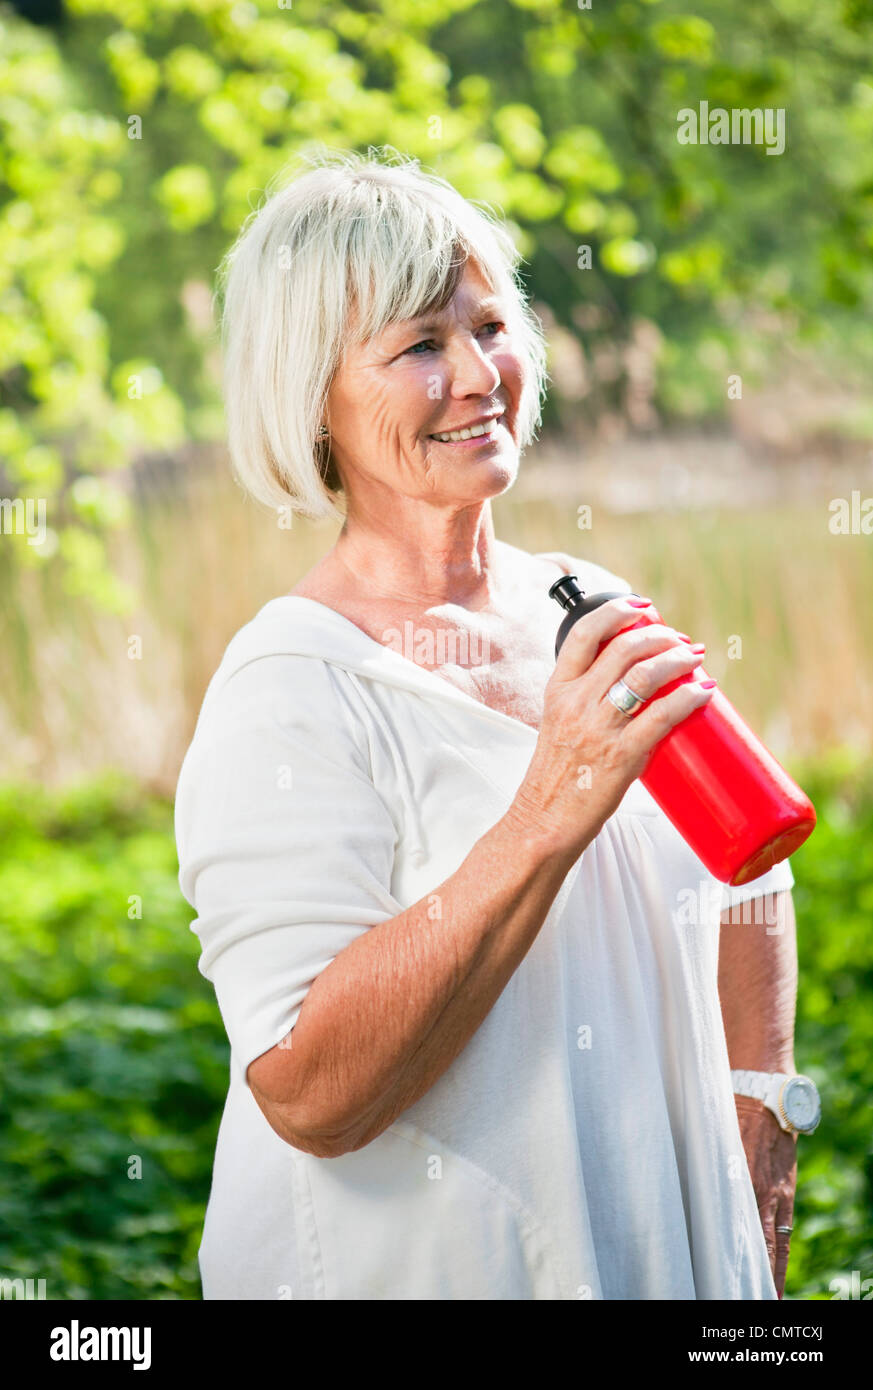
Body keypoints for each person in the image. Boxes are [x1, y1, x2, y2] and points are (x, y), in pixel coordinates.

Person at [174, 148, 800, 1300]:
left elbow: (748, 874)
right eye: (419, 345)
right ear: (312, 395)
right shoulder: (289, 688)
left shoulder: (588, 600)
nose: (479, 375)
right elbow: (312, 1093)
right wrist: (551, 805)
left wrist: (761, 1114)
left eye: (493, 325)